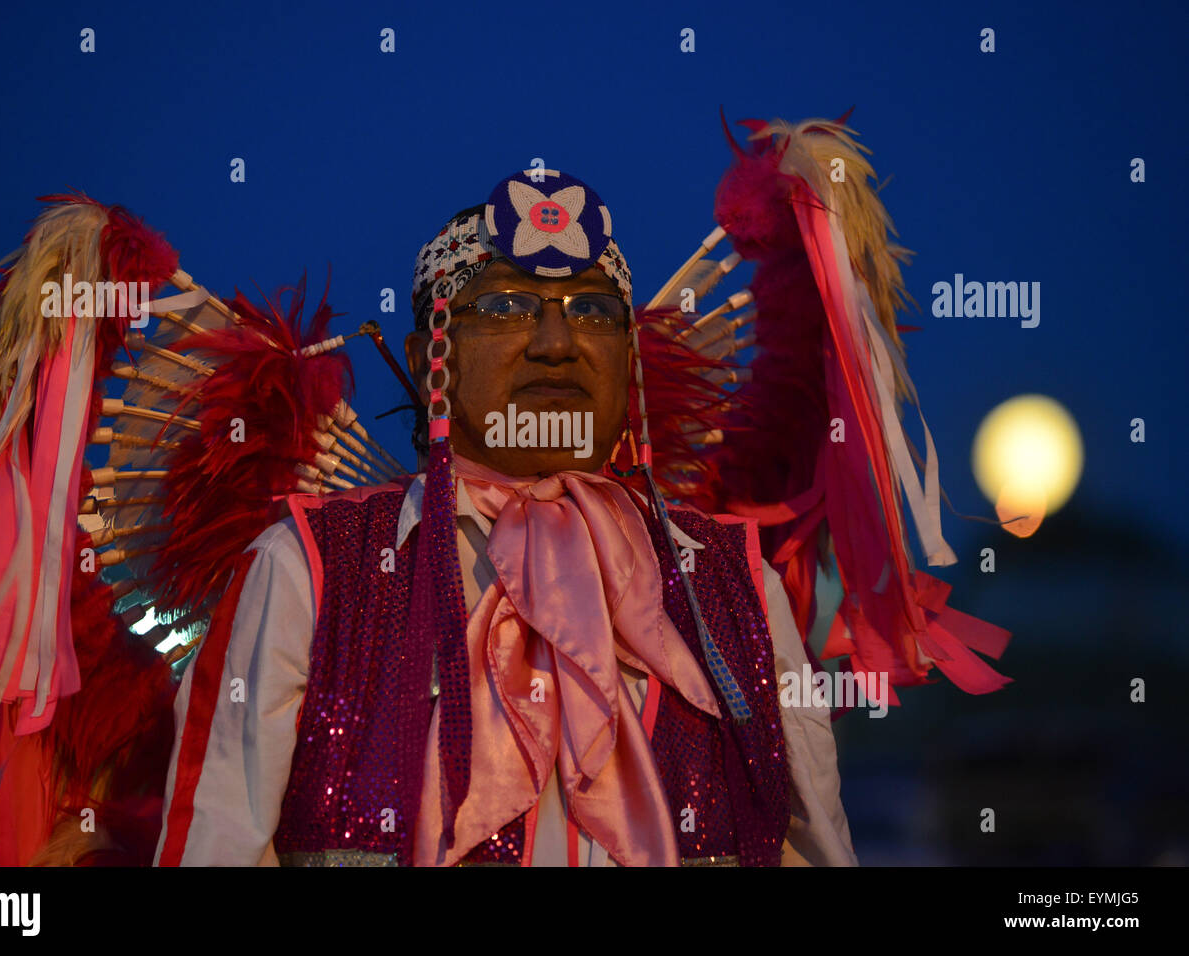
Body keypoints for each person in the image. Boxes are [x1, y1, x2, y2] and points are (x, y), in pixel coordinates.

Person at [153, 169, 858, 867]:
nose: (557, 342)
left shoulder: (735, 584)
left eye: (593, 313)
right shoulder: (308, 569)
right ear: (431, 360)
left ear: (630, 363)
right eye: (506, 310)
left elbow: (815, 849)